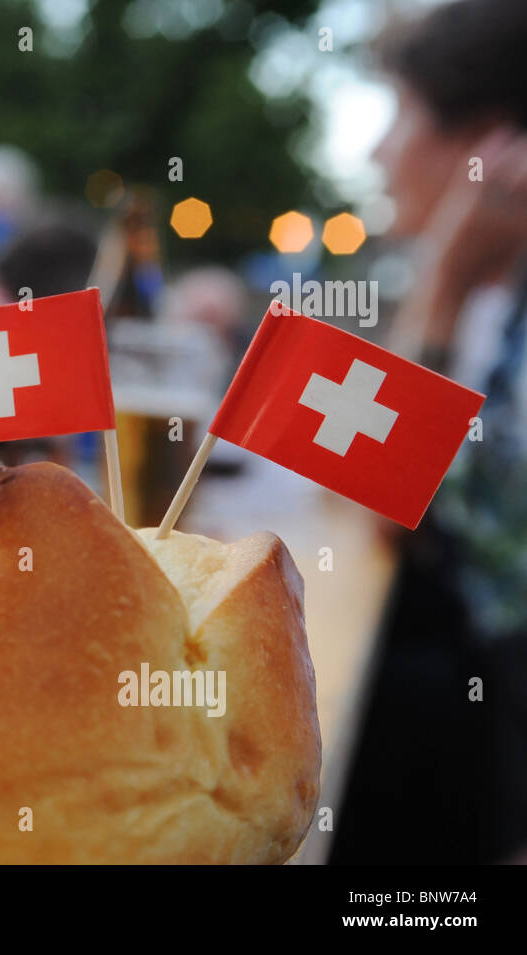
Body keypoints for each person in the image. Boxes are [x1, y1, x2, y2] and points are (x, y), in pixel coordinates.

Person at [330, 0, 527, 864]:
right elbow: (370, 492)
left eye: (399, 115)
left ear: (486, 143)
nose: (378, 152)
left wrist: (442, 280)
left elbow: (381, 496)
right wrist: (442, 278)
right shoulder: (493, 291)